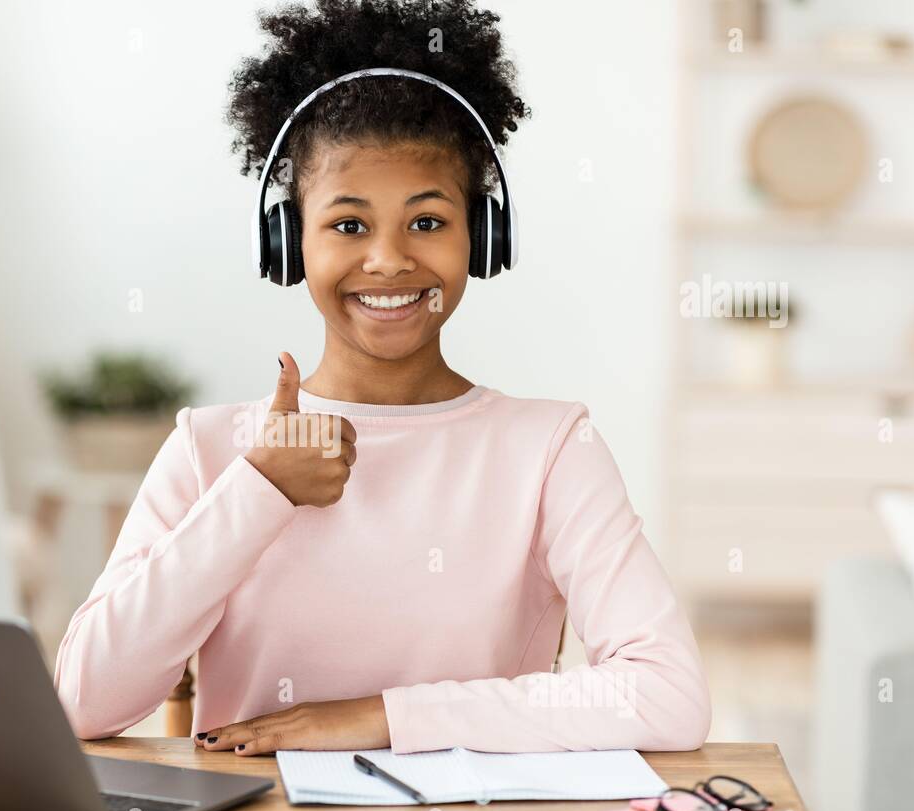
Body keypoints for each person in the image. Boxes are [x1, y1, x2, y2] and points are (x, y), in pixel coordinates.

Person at [53, 0, 710, 756]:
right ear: (289, 242)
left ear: (484, 236)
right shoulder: (211, 449)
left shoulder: (551, 448)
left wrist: (377, 719)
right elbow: (81, 702)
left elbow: (668, 695)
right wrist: (258, 489)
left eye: (428, 222)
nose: (390, 260)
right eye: (348, 224)